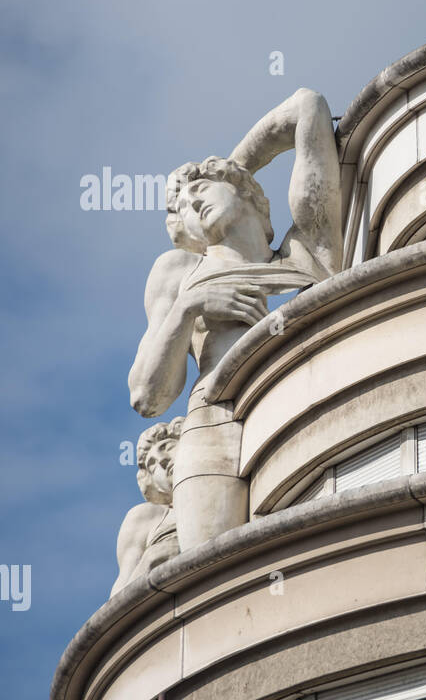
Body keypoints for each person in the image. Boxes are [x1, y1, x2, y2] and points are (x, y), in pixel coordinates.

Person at [128, 88, 342, 550]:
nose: (190, 203)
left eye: (199, 190)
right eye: (180, 206)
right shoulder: (182, 274)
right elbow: (147, 395)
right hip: (215, 421)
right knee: (214, 574)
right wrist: (193, 307)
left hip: (304, 396)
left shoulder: (306, 256)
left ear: (245, 190)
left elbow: (307, 107)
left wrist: (229, 167)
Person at [112, 418, 183, 596]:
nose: (163, 461)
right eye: (152, 465)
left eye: (168, 448)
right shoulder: (149, 516)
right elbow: (120, 596)